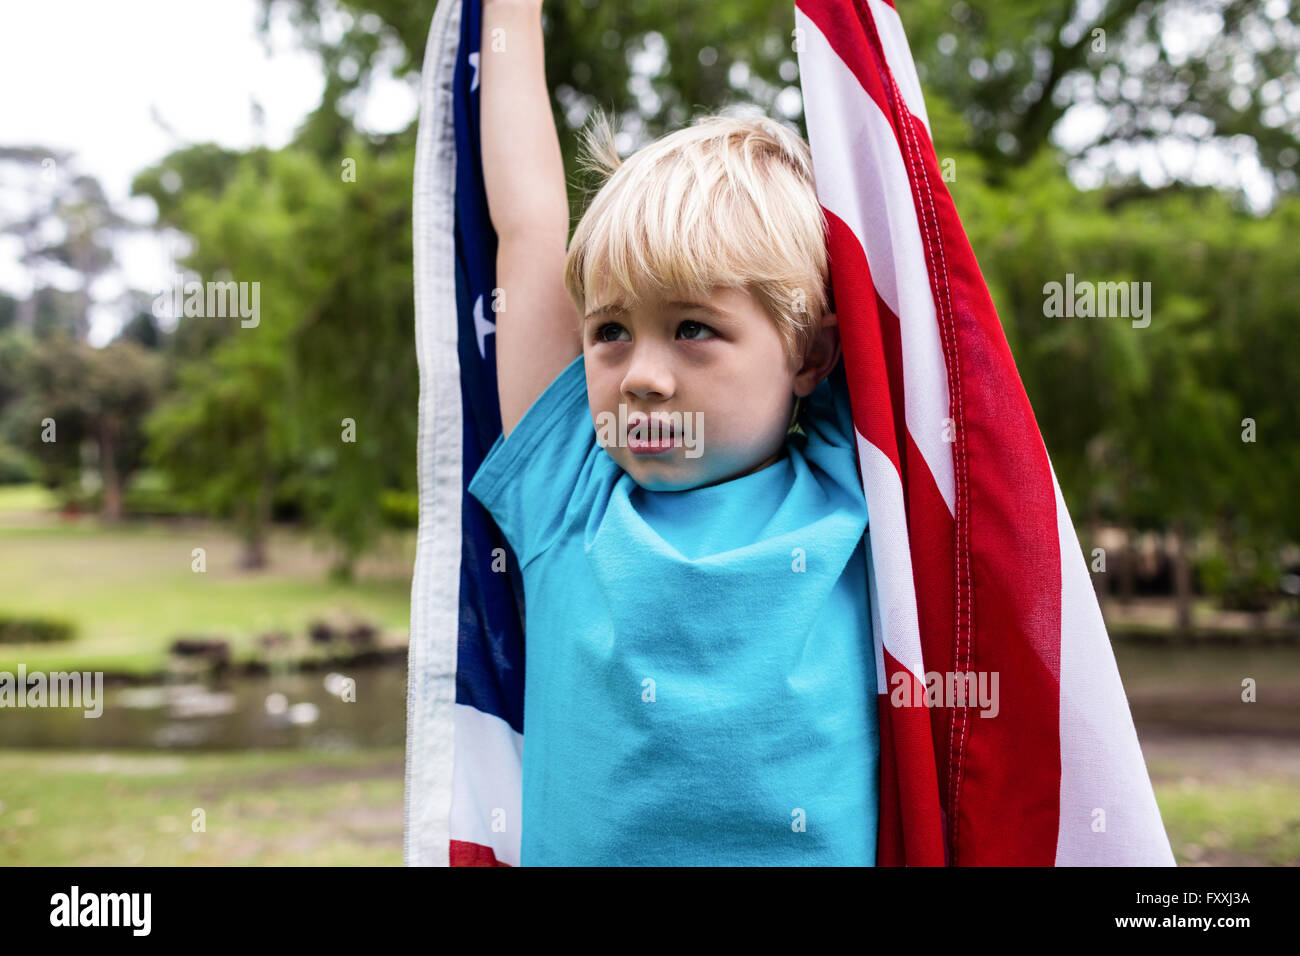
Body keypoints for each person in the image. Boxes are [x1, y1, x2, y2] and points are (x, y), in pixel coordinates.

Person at [468, 0, 877, 865]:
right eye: (610, 331)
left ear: (811, 354)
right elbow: (530, 224)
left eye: (694, 328)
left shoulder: (862, 483)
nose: (642, 375)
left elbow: (904, 242)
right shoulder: (568, 492)